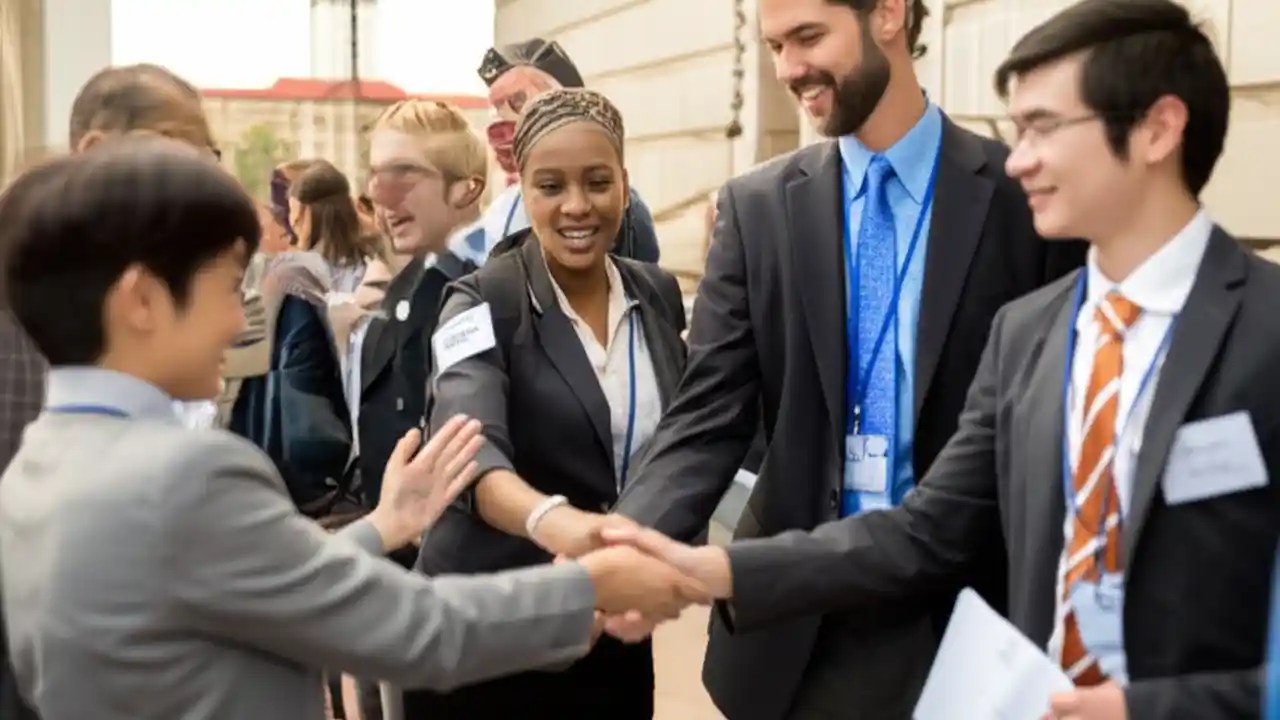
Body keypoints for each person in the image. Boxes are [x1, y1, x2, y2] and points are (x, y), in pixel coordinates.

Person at [604, 1, 1278, 718]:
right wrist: (700, 566)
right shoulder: (1028, 336)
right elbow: (925, 525)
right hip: (947, 674)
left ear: (1157, 129)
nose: (1020, 160)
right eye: (1018, 131)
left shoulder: (1253, 327)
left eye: (1044, 128)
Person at [0, 136, 708, 720]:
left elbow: (256, 583)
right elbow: (418, 629)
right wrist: (591, 587)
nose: (235, 318)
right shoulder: (185, 475)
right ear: (143, 302)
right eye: (227, 288)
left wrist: (383, 524)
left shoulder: (36, 468)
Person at [410, 88, 688, 718]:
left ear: (624, 183)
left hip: (610, 630)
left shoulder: (657, 293)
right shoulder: (478, 301)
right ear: (523, 193)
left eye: (597, 182)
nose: (577, 207)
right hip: (491, 628)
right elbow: (469, 449)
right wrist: (562, 526)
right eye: (551, 186)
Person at [473, 37, 661, 264]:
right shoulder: (500, 212)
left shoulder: (626, 209)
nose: (503, 120)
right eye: (497, 107)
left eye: (518, 101)